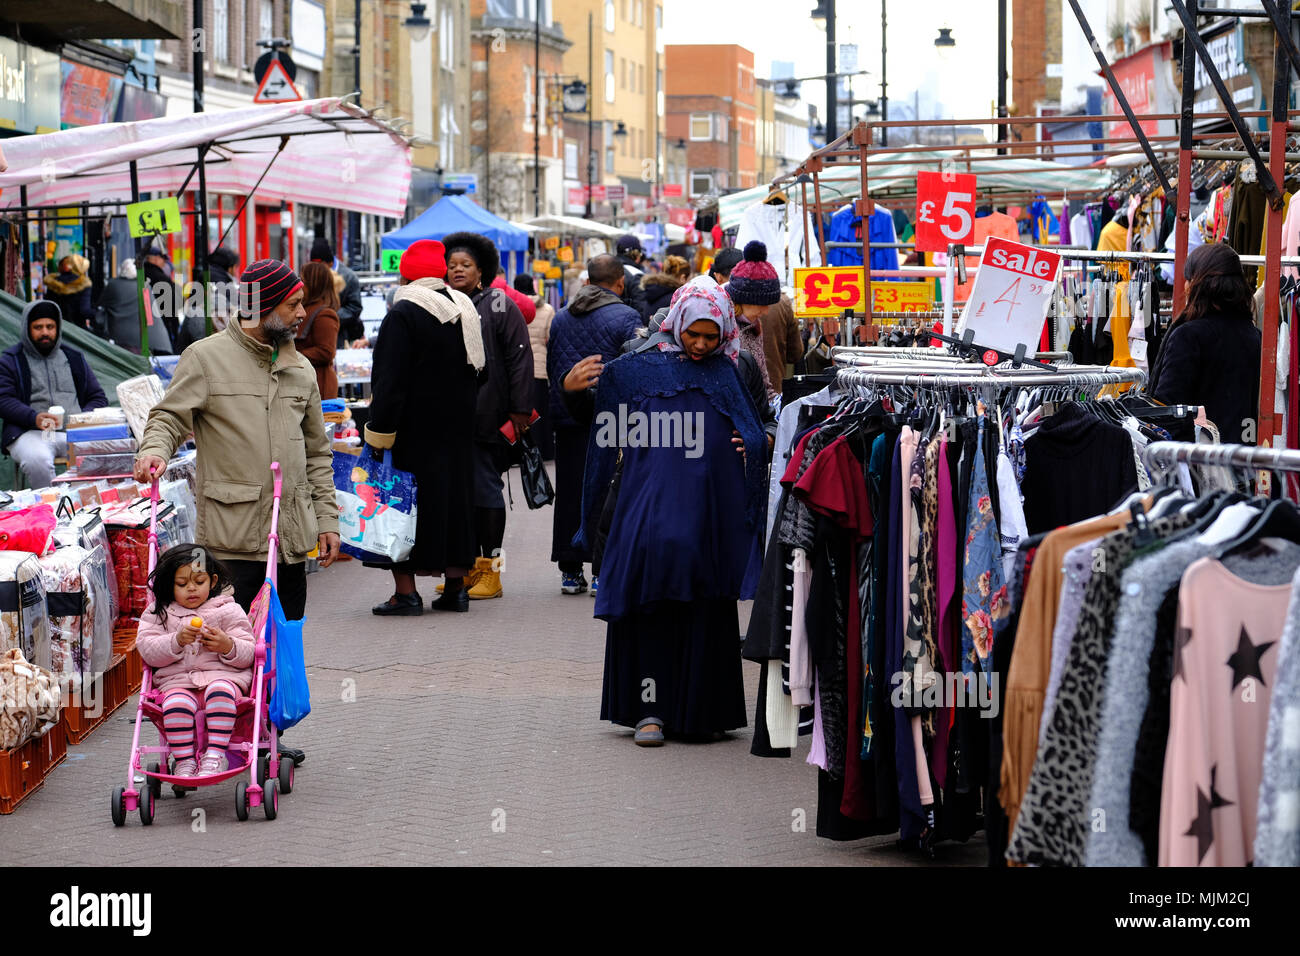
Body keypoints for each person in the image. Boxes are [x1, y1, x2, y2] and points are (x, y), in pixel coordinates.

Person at [577, 275, 765, 747]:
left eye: (710, 335)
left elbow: (757, 429)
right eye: (692, 333)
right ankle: (649, 712)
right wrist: (587, 520)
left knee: (704, 606)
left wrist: (752, 445)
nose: (700, 344)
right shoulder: (632, 371)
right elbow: (600, 443)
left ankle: (702, 714)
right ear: (676, 322)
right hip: (648, 510)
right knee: (651, 601)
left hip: (709, 516)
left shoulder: (729, 370)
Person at [365, 240, 484, 615]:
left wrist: (379, 430)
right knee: (455, 506)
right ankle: (455, 589)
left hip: (413, 433)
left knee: (403, 507)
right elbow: (481, 371)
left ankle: (406, 593)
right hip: (459, 431)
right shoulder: (463, 308)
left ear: (405, 273)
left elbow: (389, 380)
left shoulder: (403, 313)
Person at [442, 231, 533, 600]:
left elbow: (519, 357)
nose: (458, 270)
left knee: (487, 493)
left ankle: (492, 572)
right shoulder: (443, 303)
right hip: (452, 419)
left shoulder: (498, 304)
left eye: (465, 265)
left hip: (489, 416)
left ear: (481, 270)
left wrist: (520, 410)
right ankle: (465, 570)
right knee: (461, 498)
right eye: (452, 265)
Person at [547, 254, 641, 596]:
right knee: (607, 488)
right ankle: (604, 567)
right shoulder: (627, 317)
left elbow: (554, 364)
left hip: (568, 417)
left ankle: (570, 569)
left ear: (588, 280)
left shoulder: (560, 317)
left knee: (570, 490)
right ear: (619, 284)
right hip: (610, 417)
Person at [135, 543, 255, 778]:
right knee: (175, 705)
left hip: (224, 678)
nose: (191, 589)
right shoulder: (158, 613)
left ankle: (215, 756)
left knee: (219, 691)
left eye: (199, 582)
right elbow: (148, 650)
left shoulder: (228, 610)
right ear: (169, 585)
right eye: (182, 584)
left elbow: (249, 653)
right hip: (177, 683)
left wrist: (227, 645)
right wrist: (175, 641)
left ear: (212, 581)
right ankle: (185, 761)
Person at [1148, 242, 1261, 445]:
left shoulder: (1188, 337)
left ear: (1196, 284)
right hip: (1245, 457)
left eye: (1187, 279)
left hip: (1198, 462)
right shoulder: (1255, 336)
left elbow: (1166, 408)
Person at [0, 301, 109, 488]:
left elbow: (98, 397)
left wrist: (81, 419)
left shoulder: (73, 358)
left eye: (50, 327)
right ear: (27, 329)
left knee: (109, 452)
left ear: (57, 328)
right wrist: (34, 418)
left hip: (72, 433)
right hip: (30, 433)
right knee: (38, 460)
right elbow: (3, 400)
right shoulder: (11, 360)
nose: (45, 333)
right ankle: (51, 510)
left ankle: (85, 508)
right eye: (38, 327)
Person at [726, 240, 796, 402]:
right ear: (743, 299)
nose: (766, 311)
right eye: (762, 304)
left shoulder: (755, 327)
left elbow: (764, 384)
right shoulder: (721, 327)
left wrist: (776, 407)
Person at [517, 274, 556, 460]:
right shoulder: (547, 309)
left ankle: (520, 452)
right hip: (539, 367)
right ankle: (544, 450)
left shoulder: (510, 306)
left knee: (519, 410)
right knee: (540, 411)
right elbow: (551, 338)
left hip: (517, 367)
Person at [100, 259, 174, 355]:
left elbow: (100, 304)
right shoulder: (144, 286)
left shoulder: (114, 285)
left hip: (121, 339)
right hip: (145, 339)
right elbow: (149, 316)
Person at [296, 261, 341, 401]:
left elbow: (326, 352)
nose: (300, 285)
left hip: (319, 385)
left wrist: (293, 356)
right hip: (307, 381)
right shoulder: (307, 309)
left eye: (303, 280)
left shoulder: (324, 314)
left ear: (313, 283)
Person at [310, 238, 364, 346]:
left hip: (342, 335)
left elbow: (355, 308)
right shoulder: (311, 275)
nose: (316, 269)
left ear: (329, 263)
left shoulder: (349, 277)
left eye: (319, 265)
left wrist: (328, 317)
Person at [43, 255, 94, 332]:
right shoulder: (83, 284)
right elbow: (84, 311)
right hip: (78, 330)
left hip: (57, 329)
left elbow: (48, 307)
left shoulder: (52, 283)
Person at [142, 245, 181, 346]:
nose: (164, 263)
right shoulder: (162, 278)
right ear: (155, 259)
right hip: (162, 326)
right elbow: (172, 306)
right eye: (163, 259)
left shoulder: (140, 274)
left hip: (144, 325)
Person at [614, 234, 650, 319]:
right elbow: (642, 309)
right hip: (628, 325)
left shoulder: (606, 268)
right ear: (636, 254)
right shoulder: (635, 274)